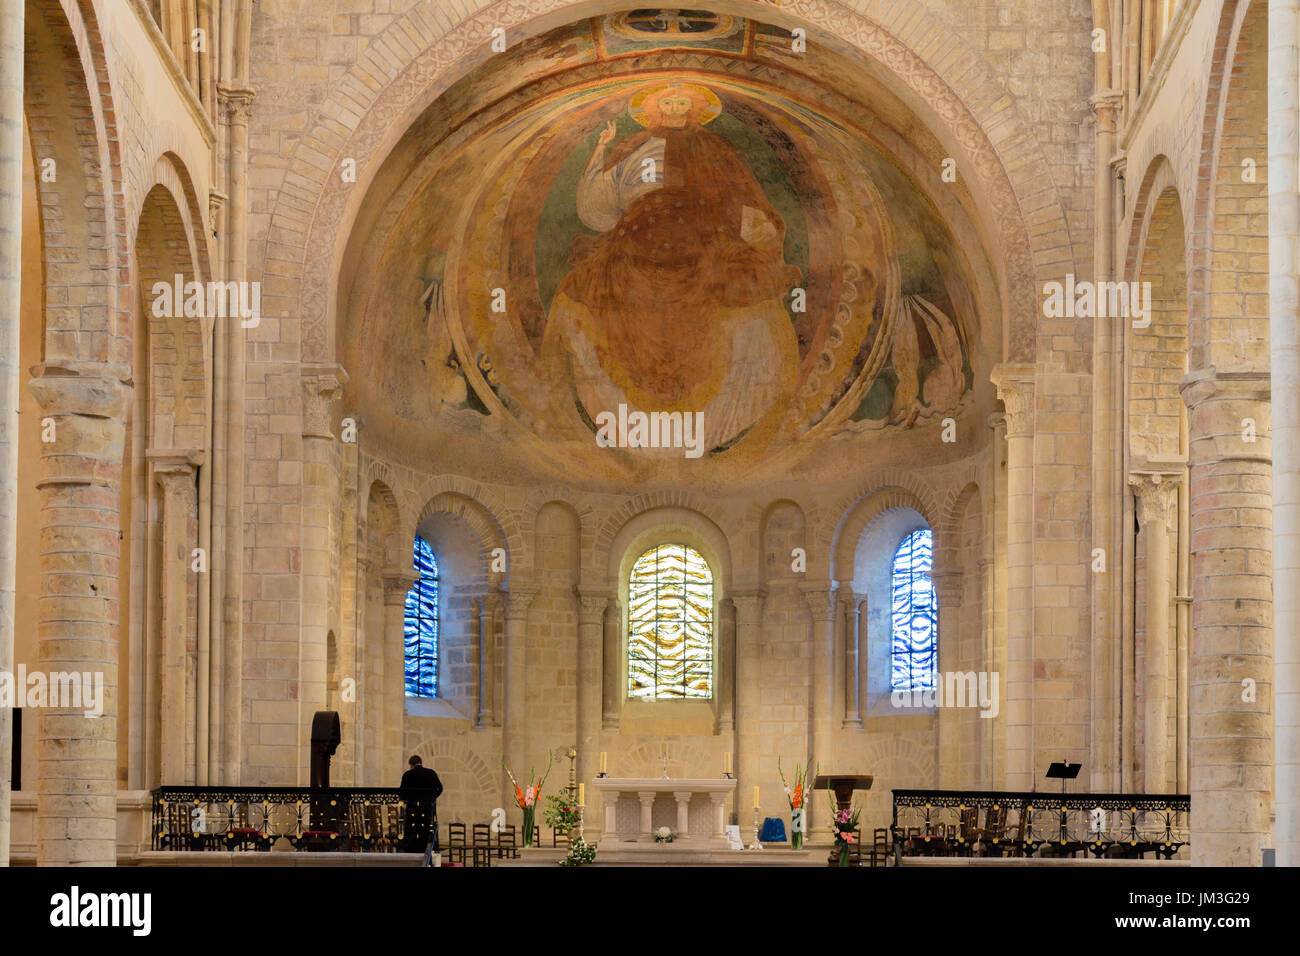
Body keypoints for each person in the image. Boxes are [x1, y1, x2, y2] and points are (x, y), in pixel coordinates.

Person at [399, 755, 443, 854]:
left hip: (412, 809)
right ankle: (429, 851)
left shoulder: (407, 775)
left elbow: (402, 793)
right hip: (427, 808)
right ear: (421, 762)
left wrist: (408, 799)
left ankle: (410, 852)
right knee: (427, 831)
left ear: (411, 765)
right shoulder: (431, 773)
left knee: (412, 832)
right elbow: (440, 788)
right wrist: (431, 798)